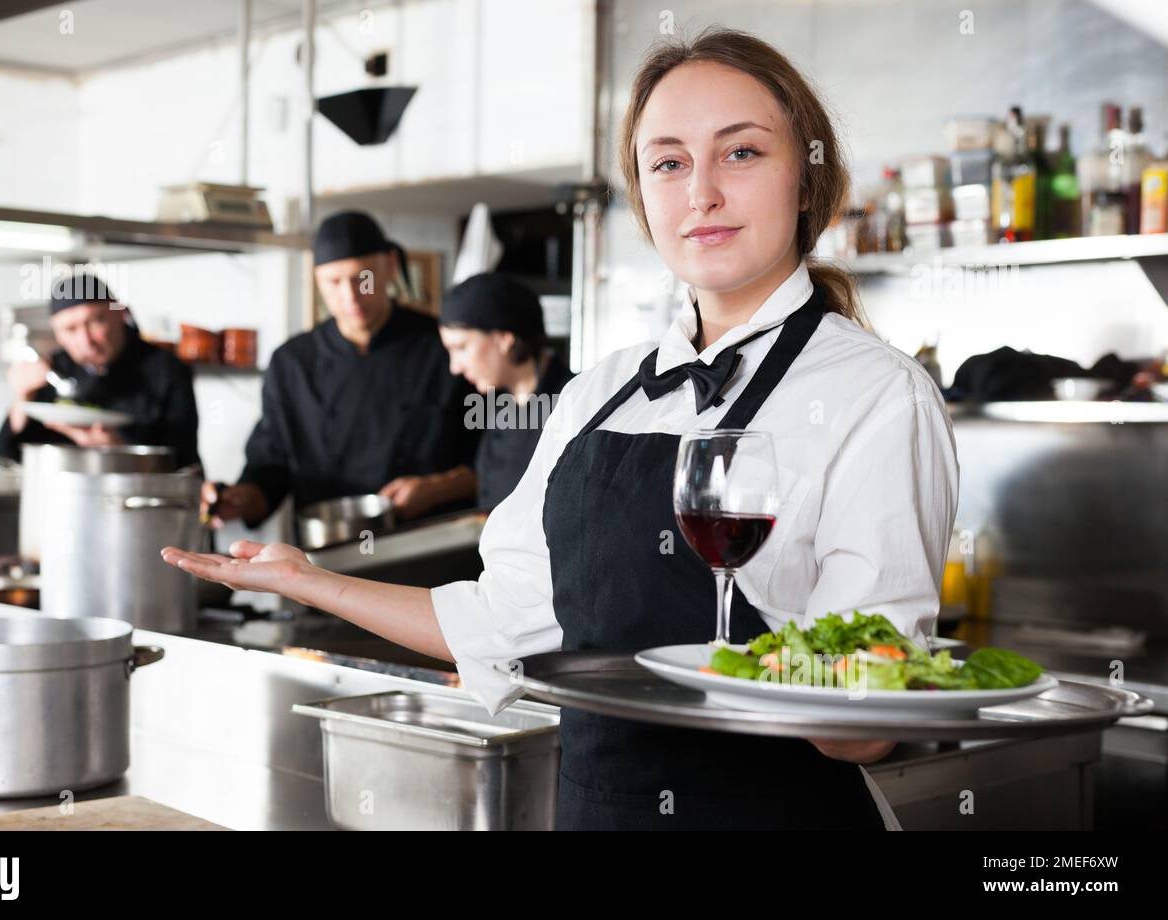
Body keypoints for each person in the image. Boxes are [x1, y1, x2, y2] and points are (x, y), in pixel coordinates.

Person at [162, 28, 958, 830]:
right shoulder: (600, 393)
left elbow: (863, 729)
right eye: (669, 162)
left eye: (742, 153)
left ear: (807, 177)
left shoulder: (876, 395)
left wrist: (825, 687)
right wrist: (304, 580)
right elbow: (506, 621)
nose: (701, 193)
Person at [204, 211, 479, 529]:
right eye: (334, 282)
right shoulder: (292, 363)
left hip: (429, 544)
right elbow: (269, 467)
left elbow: (502, 457)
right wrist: (237, 499)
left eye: (362, 278)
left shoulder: (446, 348)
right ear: (317, 280)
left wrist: (439, 488)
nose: (350, 296)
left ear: (389, 266)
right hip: (327, 553)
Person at [0, 271, 200, 469]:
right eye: (70, 329)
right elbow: (8, 454)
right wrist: (22, 398)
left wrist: (120, 451)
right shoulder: (53, 371)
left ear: (120, 313)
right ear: (57, 334)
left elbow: (184, 461)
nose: (86, 341)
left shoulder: (168, 369)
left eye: (95, 321)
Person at [438, 272, 574, 509]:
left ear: (504, 339)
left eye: (460, 347)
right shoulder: (499, 402)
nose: (454, 367)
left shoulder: (573, 404)